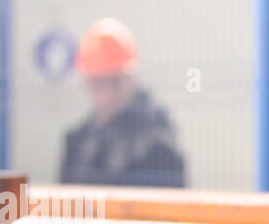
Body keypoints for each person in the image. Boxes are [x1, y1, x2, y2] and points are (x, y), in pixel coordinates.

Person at [60, 18, 186, 187]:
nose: (105, 94)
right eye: (97, 83)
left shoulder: (157, 142)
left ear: (130, 78)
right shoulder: (78, 141)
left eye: (112, 82)